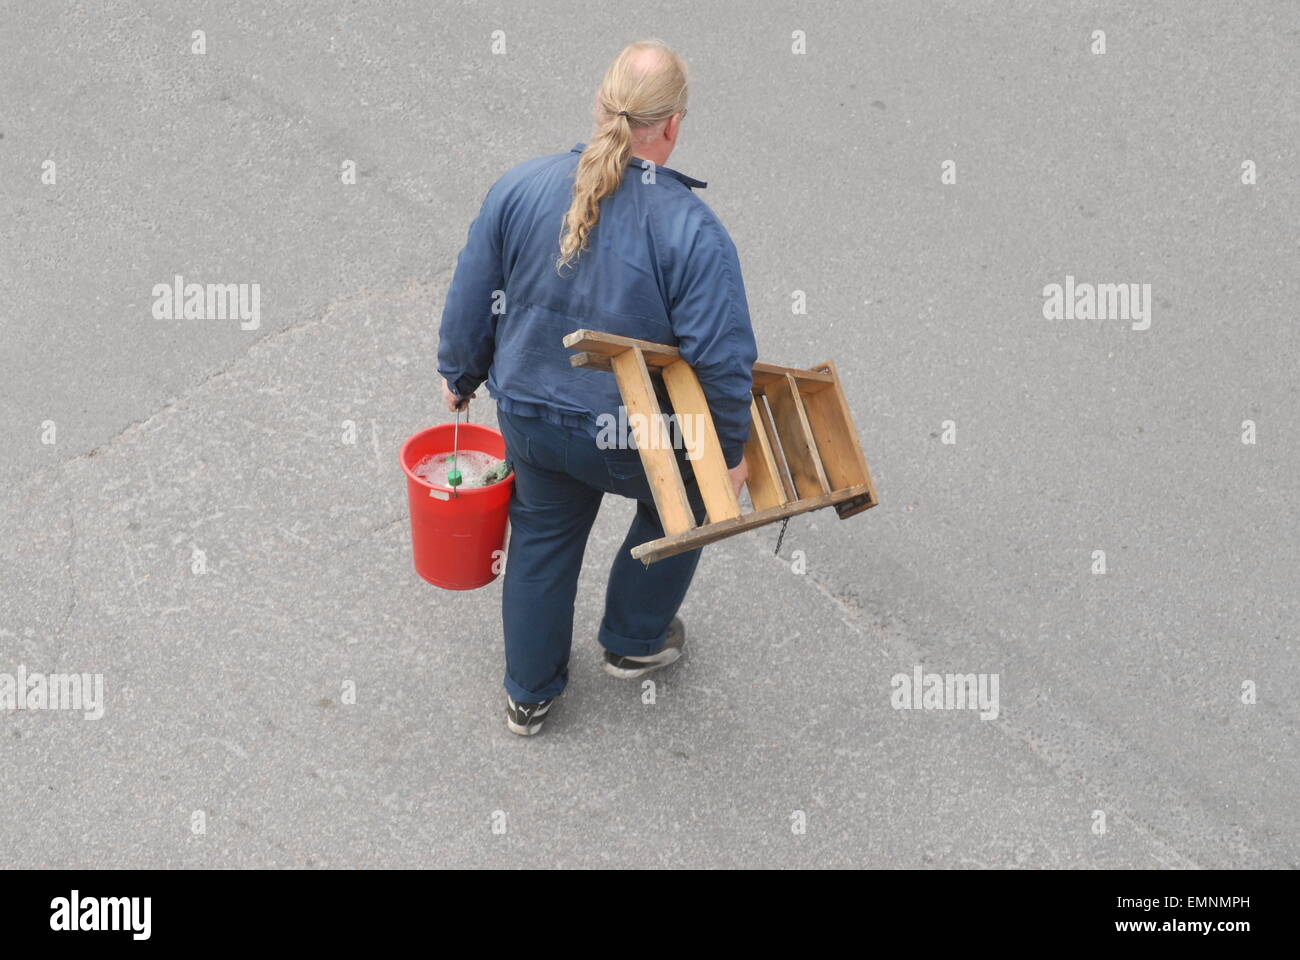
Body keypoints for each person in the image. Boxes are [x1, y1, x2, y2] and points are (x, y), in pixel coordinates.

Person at [437, 39, 757, 735]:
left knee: (543, 538)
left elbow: (474, 291)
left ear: (599, 105)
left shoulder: (520, 187)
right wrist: (727, 454)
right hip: (640, 437)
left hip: (533, 417)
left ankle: (529, 693)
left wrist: (459, 376)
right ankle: (635, 640)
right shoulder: (693, 232)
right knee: (686, 505)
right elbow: (722, 363)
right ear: (671, 125)